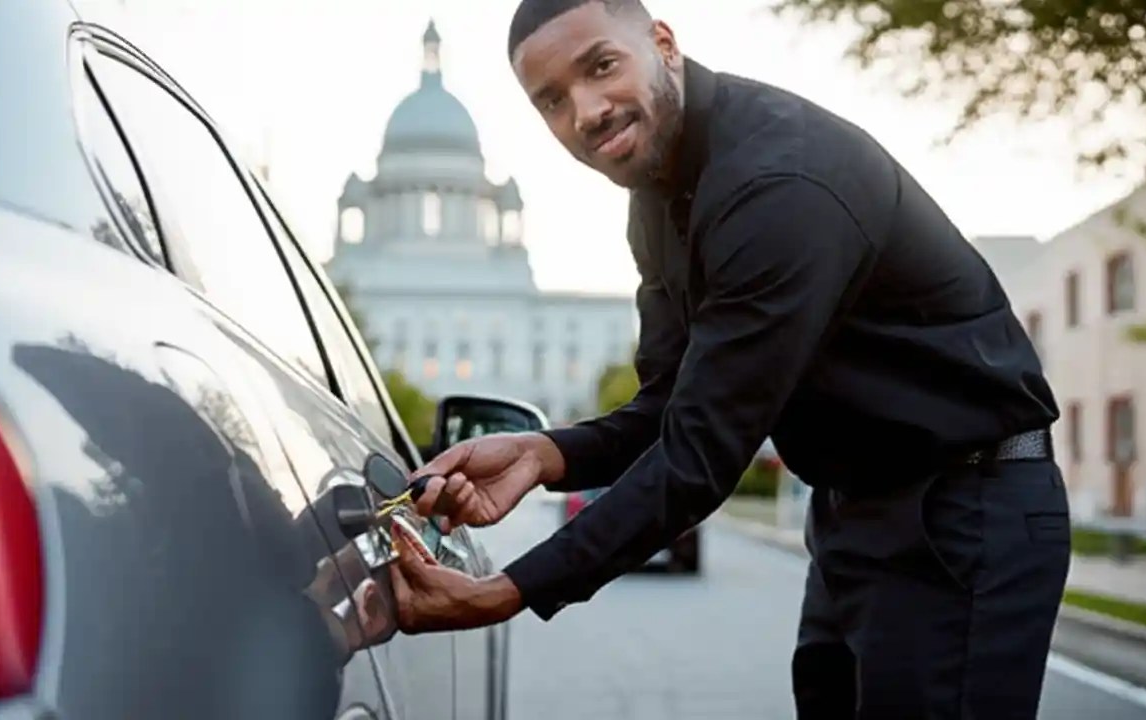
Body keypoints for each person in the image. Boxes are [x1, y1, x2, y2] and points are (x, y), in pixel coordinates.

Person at [386, 0, 1071, 716]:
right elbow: (668, 408)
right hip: (855, 514)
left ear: (663, 44)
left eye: (601, 66)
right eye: (552, 100)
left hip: (963, 511)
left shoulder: (778, 186)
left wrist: (507, 591)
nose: (585, 111)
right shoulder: (657, 188)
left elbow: (702, 452)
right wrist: (541, 456)